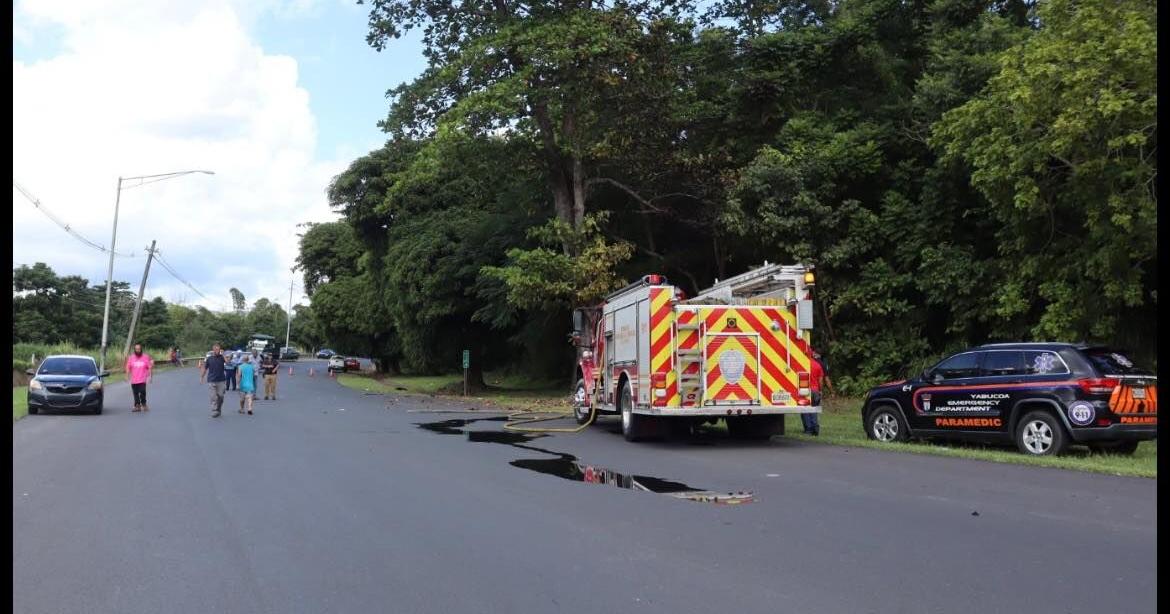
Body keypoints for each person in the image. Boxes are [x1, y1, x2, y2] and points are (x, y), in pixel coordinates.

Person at [802, 350, 835, 436]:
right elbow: (820, 381)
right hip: (815, 390)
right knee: (814, 409)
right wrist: (820, 390)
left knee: (805, 409)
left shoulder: (802, 364)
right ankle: (815, 429)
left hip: (804, 390)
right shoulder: (818, 365)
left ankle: (808, 430)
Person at [200, 343, 229, 418]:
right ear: (213, 350)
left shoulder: (222, 357)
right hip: (212, 380)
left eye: (218, 349)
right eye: (215, 349)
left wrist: (223, 354)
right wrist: (202, 377)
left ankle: (219, 409)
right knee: (213, 396)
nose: (216, 351)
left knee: (221, 396)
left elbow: (228, 362)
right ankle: (215, 410)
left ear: (220, 350)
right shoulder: (209, 359)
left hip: (221, 380)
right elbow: (205, 368)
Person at [125, 343, 154, 412]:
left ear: (141, 349)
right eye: (136, 349)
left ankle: (144, 404)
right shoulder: (131, 358)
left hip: (142, 379)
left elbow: (149, 367)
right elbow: (128, 367)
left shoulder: (145, 357)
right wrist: (127, 376)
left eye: (139, 349)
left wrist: (151, 377)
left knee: (142, 391)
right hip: (134, 379)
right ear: (134, 350)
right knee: (135, 393)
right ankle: (137, 406)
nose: (138, 350)